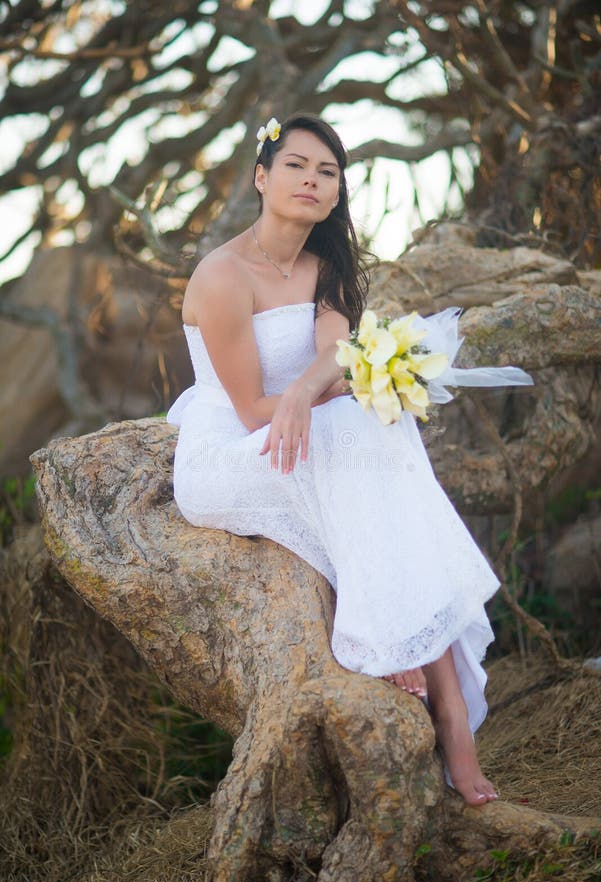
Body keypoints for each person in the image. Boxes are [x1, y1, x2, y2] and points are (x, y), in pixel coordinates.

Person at [166, 112, 527, 806]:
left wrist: (310, 388)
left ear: (336, 195)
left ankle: (431, 683)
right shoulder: (221, 274)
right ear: (261, 178)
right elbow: (248, 409)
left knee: (374, 423)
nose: (311, 179)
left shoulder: (323, 267)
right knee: (365, 430)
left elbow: (335, 356)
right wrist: (314, 396)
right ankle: (406, 659)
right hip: (232, 447)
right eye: (296, 165)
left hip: (307, 418)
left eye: (326, 172)